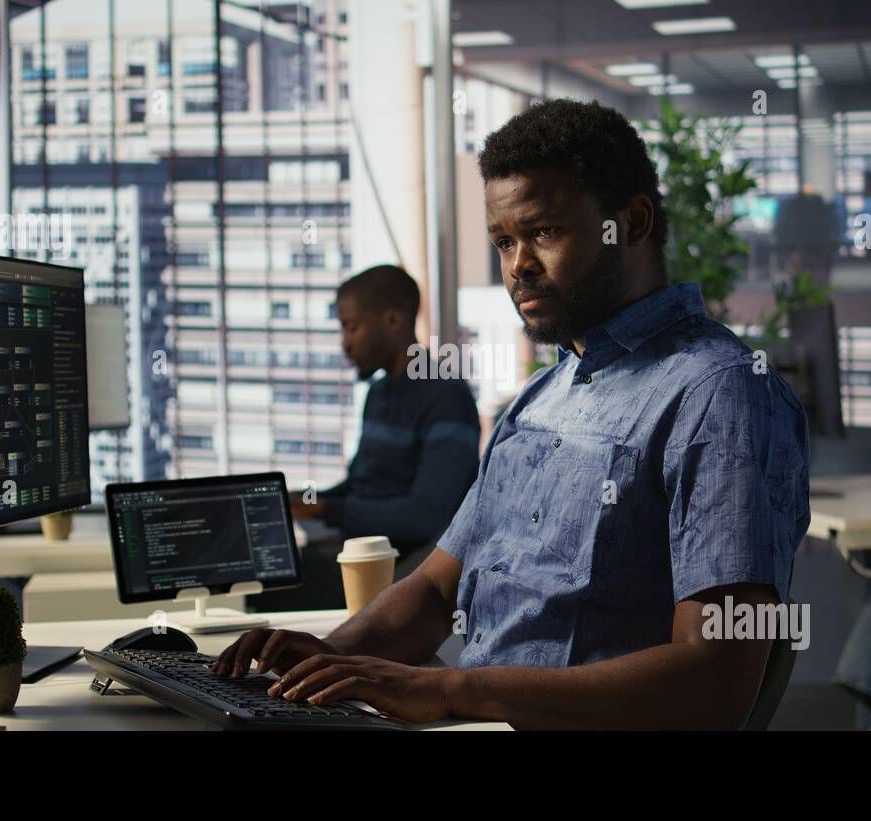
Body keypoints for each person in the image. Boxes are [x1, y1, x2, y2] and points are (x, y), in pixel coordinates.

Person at [215, 99, 811, 729]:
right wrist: (329, 657)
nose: (517, 265)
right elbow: (435, 591)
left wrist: (451, 690)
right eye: (503, 241)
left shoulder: (721, 393)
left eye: (544, 233)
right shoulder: (541, 397)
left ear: (631, 223)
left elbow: (718, 681)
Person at [289, 264, 480, 562]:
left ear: (392, 320)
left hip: (401, 568)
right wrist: (305, 501)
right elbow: (360, 488)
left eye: (352, 327)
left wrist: (326, 509)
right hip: (359, 549)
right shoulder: (378, 393)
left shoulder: (447, 397)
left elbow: (427, 516)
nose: (345, 343)